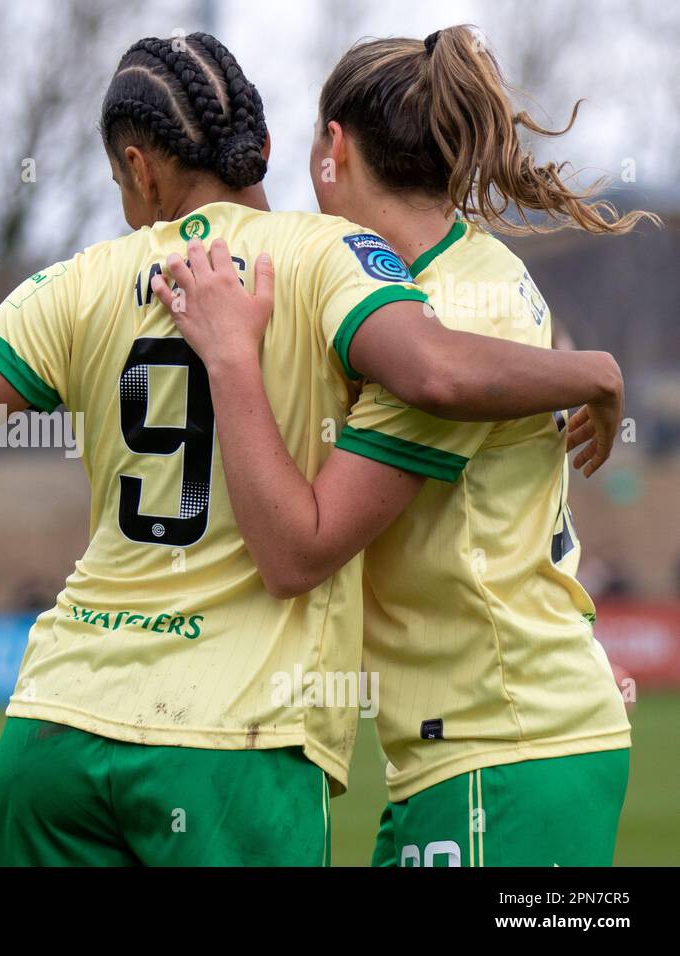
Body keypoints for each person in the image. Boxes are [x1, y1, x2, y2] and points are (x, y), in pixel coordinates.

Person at [0, 33, 622, 865]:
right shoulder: (337, 261)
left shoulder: (76, 283)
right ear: (262, 145)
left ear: (141, 170)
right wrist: (585, 368)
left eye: (119, 180)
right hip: (238, 739)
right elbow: (434, 367)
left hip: (57, 724)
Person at [153, 25, 646, 866]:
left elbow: (297, 550)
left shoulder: (450, 322)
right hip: (477, 748)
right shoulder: (445, 288)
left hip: (506, 747)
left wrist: (230, 357)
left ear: (331, 151)